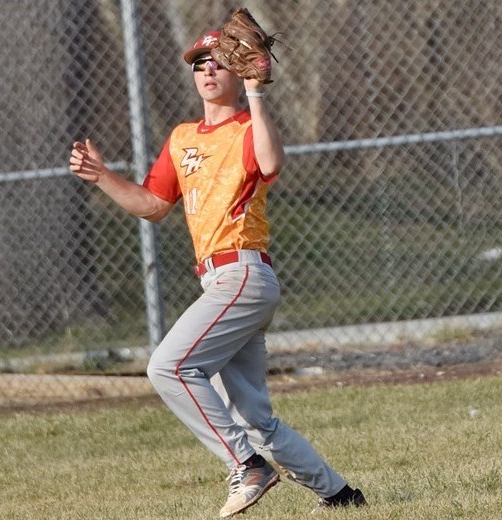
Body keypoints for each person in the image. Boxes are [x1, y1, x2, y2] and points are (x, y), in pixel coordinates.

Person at [69, 30, 366, 518]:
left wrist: (256, 92)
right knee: (255, 420)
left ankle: (248, 468)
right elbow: (153, 205)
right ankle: (339, 495)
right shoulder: (183, 138)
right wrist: (104, 177)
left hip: (242, 273)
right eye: (199, 63)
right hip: (220, 282)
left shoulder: (249, 127)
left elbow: (271, 163)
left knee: (169, 366)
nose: (207, 70)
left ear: (239, 72)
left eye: (219, 62)